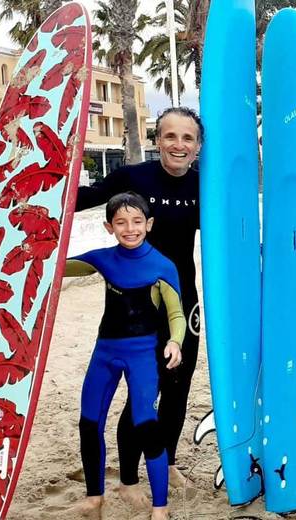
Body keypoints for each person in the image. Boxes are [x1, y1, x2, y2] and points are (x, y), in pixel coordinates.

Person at [70, 107, 203, 502]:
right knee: (143, 391)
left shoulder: (204, 186)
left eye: (187, 138)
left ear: (197, 146)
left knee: (179, 385)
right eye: (170, 136)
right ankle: (129, 476)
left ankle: (171, 459)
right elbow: (86, 198)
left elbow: (237, 231)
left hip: (182, 299)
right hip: (135, 307)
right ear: (156, 140)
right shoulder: (133, 178)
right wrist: (34, 205)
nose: (178, 145)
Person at [64, 192, 184, 520]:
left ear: (149, 224)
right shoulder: (104, 259)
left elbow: (176, 315)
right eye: (120, 222)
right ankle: (94, 497)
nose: (129, 228)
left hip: (143, 355)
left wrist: (174, 342)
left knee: (146, 426)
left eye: (136, 221)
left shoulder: (162, 266)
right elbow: (59, 267)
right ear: (109, 226)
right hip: (104, 352)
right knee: (89, 423)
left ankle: (160, 506)